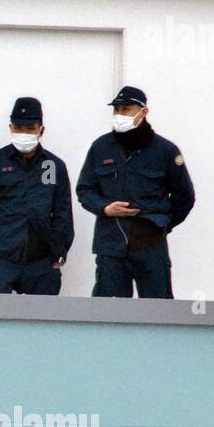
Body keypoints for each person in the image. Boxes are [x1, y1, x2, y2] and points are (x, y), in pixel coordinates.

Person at [75, 85, 195, 298]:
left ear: (143, 112)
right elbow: (85, 189)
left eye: (126, 109)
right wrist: (105, 208)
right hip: (111, 243)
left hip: (150, 243)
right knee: (108, 311)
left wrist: (161, 224)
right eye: (116, 110)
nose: (120, 115)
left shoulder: (166, 150)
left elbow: (184, 196)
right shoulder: (100, 147)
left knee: (158, 309)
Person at [0, 97, 74, 294]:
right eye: (18, 128)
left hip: (41, 263)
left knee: (42, 322)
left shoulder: (53, 165)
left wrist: (60, 253)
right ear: (10, 128)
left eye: (30, 128)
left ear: (41, 130)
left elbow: (63, 213)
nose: (23, 133)